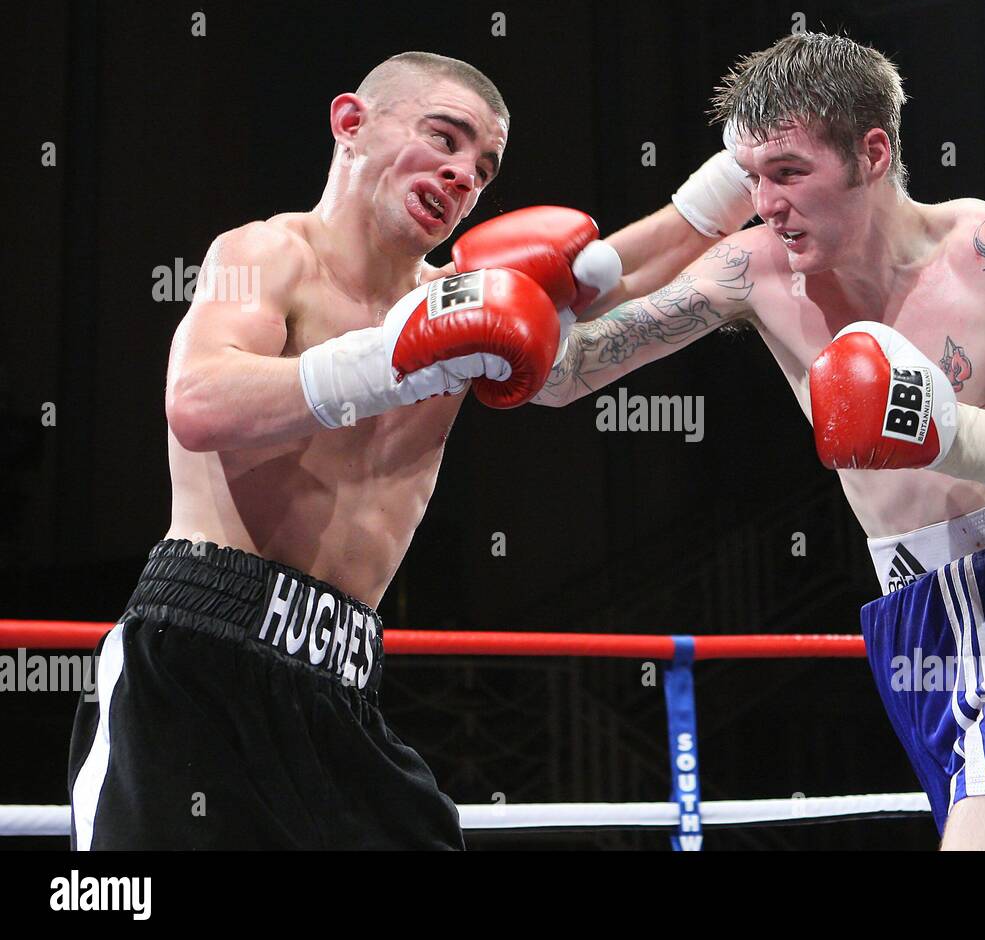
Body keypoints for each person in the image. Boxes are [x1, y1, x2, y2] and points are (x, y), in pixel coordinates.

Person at [67, 50, 734, 849]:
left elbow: (612, 274)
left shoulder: (457, 302)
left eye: (483, 169)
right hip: (196, 663)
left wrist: (744, 172)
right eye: (444, 139)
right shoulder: (267, 255)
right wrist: (391, 358)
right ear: (351, 123)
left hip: (341, 682)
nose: (463, 177)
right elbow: (199, 402)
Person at [535, 32, 985, 850]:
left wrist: (957, 437)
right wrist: (479, 307)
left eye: (790, 173)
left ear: (872, 152)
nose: (768, 204)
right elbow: (561, 376)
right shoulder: (754, 269)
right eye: (752, 179)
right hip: (912, 627)